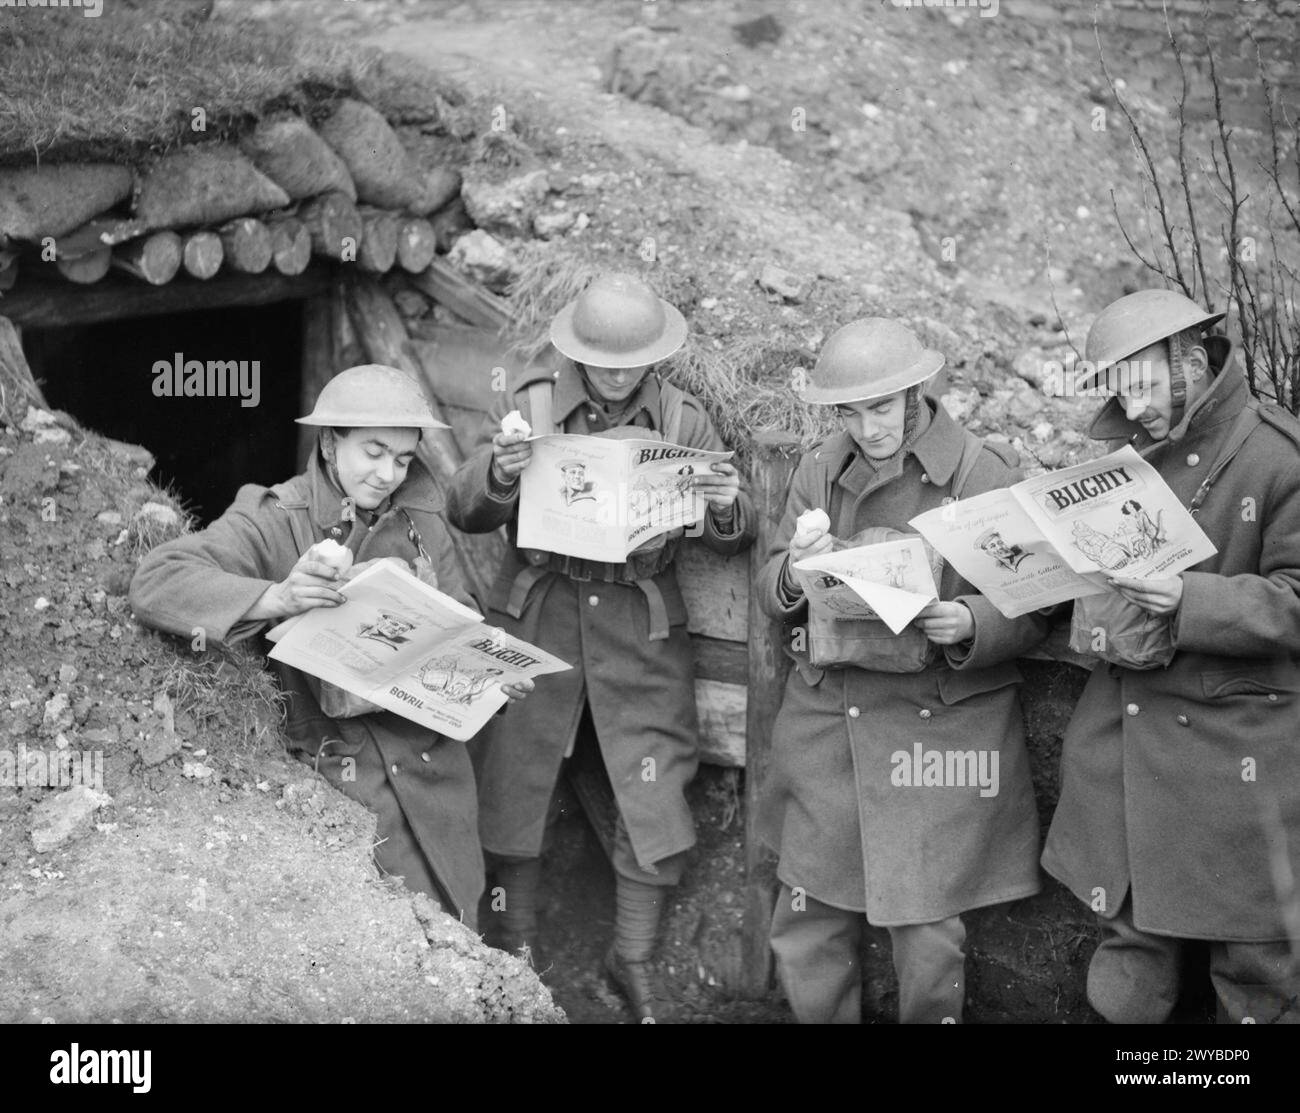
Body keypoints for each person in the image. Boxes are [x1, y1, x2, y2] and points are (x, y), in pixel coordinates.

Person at [446, 272, 756, 1020]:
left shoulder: (685, 418)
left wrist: (724, 503)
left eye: (631, 362)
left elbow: (738, 527)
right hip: (542, 608)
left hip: (638, 619)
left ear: (656, 356)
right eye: (602, 361)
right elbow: (464, 508)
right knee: (515, 770)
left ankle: (634, 954)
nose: (617, 377)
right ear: (576, 353)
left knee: (654, 782)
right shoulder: (534, 406)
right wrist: (500, 471)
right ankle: (513, 943)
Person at [130, 364, 532, 928]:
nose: (388, 473)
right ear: (328, 442)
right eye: (372, 451)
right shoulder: (277, 516)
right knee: (399, 931)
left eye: (402, 458)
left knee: (462, 913)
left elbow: (458, 615)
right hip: (342, 766)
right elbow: (158, 580)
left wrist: (488, 672)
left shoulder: (419, 513)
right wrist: (278, 597)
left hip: (432, 758)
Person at [755, 318, 1050, 1023]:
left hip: (935, 728)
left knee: (925, 926)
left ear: (918, 392)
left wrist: (973, 623)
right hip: (832, 719)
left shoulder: (981, 471)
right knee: (809, 912)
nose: (868, 428)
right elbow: (772, 585)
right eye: (850, 412)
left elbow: (1037, 602)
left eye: (881, 408)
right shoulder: (821, 467)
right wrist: (795, 573)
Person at [1043, 288, 1300, 1024]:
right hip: (1125, 743)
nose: (1134, 406)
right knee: (1128, 958)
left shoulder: (1277, 458)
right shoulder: (1126, 458)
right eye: (1117, 390)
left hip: (1235, 761)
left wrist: (1191, 600)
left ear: (1191, 362)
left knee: (1256, 967)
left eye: (1144, 384)